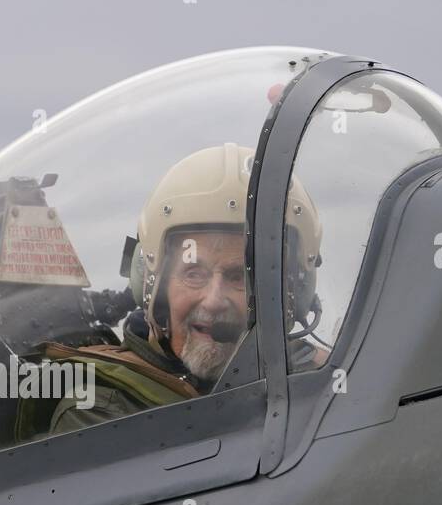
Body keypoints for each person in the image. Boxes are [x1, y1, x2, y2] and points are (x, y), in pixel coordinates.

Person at [46, 143, 325, 433]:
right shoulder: (104, 412)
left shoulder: (322, 382)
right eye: (194, 274)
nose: (214, 301)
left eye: (240, 277)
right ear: (153, 286)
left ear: (291, 294)